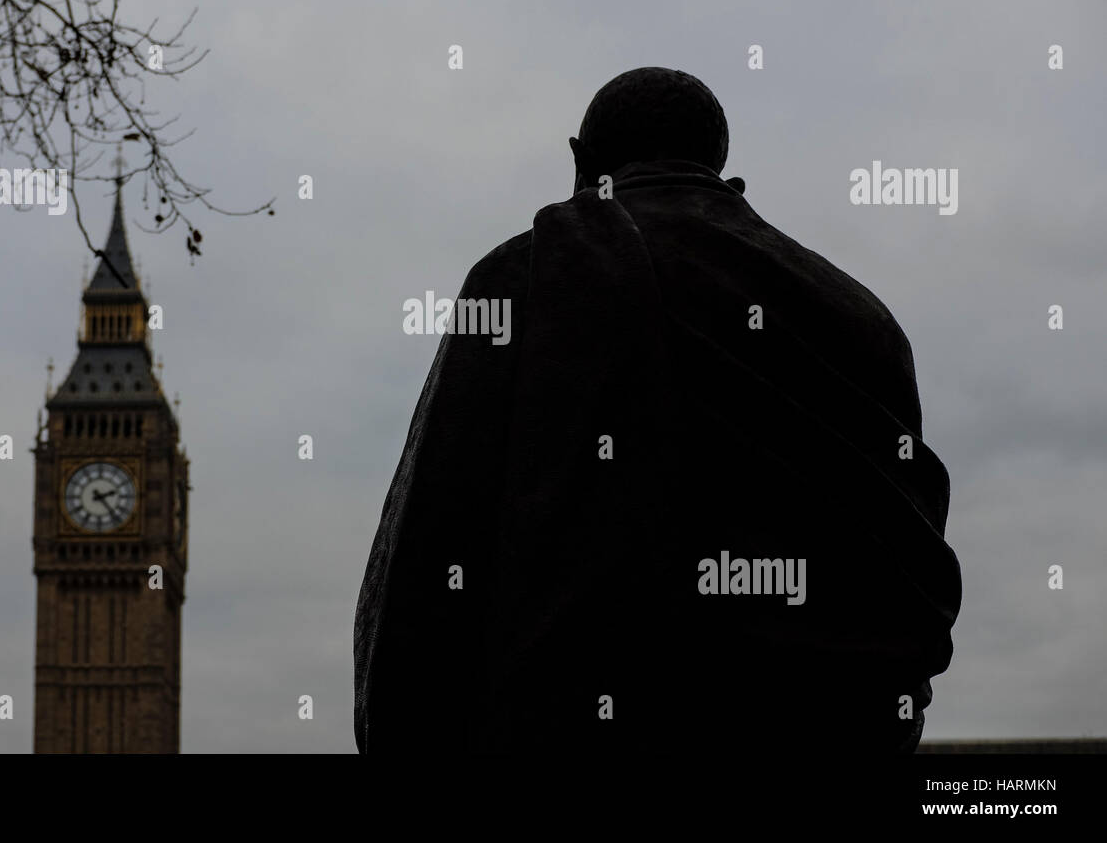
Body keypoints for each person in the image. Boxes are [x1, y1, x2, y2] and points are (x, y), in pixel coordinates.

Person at [354, 67, 962, 753]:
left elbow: (429, 559)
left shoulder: (529, 274)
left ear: (581, 164)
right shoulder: (867, 319)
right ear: (722, 172)